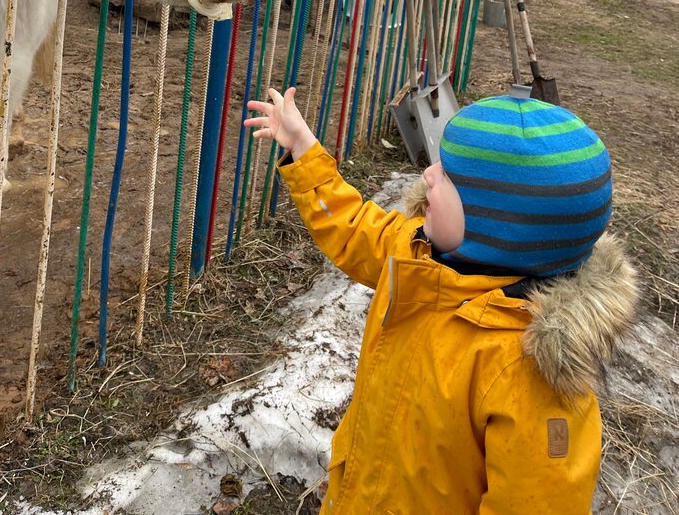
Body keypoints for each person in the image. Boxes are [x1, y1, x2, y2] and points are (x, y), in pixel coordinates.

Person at [245, 85, 637, 515]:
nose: (429, 174)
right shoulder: (421, 255)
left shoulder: (528, 372)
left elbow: (535, 502)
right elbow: (355, 228)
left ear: (499, 225)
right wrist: (303, 149)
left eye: (448, 174)